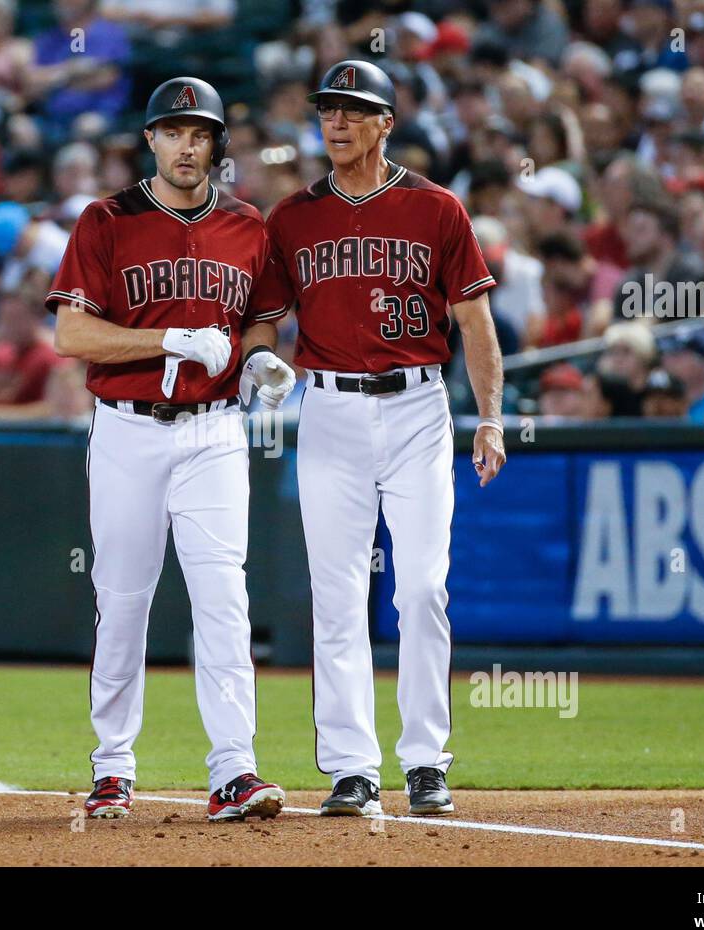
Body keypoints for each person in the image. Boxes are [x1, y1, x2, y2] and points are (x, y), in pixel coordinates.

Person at [253, 60, 506, 817]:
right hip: (327, 409)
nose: (335, 123)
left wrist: (490, 414)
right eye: (327, 111)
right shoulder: (291, 217)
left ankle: (426, 760)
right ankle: (352, 770)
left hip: (418, 408)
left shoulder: (436, 210)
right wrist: (264, 358)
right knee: (335, 596)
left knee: (424, 588)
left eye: (352, 111)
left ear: (385, 124)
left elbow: (475, 325)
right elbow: (266, 321)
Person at [47, 77, 287, 823]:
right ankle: (113, 768)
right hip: (126, 425)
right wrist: (166, 339)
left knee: (223, 597)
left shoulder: (249, 226)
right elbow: (71, 335)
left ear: (217, 143)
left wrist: (257, 359)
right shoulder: (106, 220)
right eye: (174, 131)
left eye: (201, 133)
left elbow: (260, 321)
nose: (189, 145)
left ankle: (234, 771)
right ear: (150, 139)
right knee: (122, 600)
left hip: (214, 430)